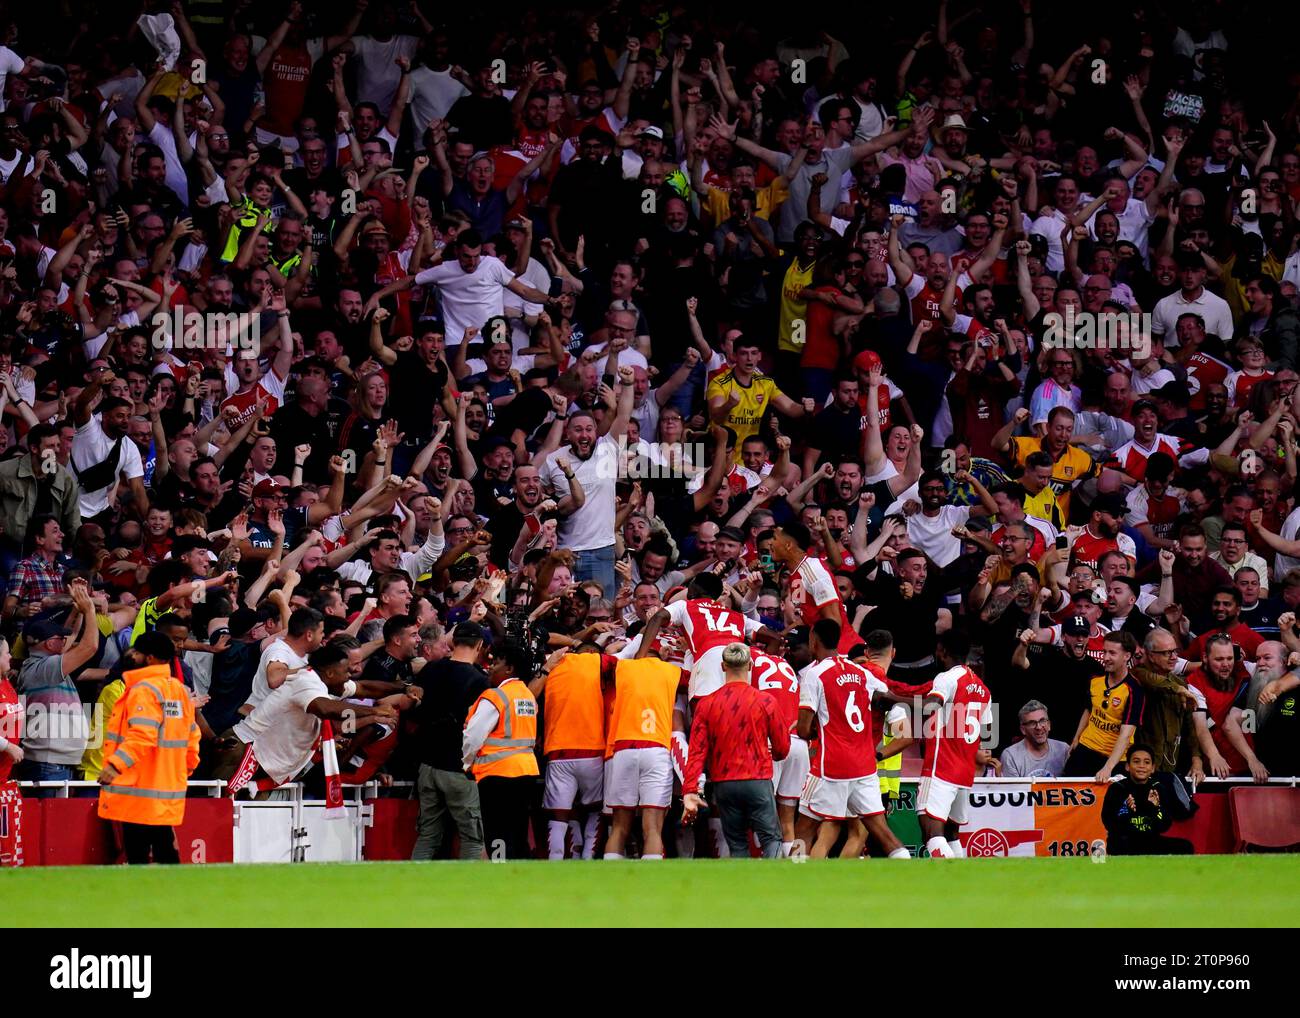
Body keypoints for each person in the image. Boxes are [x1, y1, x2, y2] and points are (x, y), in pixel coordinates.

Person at [794, 619, 911, 859]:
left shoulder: (814, 675)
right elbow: (887, 698)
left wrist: (819, 729)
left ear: (813, 640)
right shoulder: (862, 673)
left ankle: (796, 881)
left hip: (831, 767)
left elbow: (804, 731)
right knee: (880, 831)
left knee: (804, 830)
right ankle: (905, 871)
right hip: (865, 767)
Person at [96, 632, 201, 864]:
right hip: (166, 785)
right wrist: (184, 769)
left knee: (139, 853)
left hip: (139, 786)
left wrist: (116, 765)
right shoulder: (179, 690)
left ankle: (148, 895)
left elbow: (143, 735)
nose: (131, 654)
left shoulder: (143, 690)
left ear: (150, 658)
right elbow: (192, 735)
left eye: (137, 651)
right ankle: (172, 896)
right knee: (165, 845)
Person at [681, 642, 788, 858]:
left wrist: (690, 790)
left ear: (722, 666)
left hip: (725, 783)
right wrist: (772, 754)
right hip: (757, 779)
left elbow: (696, 752)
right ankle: (776, 886)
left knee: (737, 843)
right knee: (771, 839)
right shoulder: (765, 701)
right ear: (750, 666)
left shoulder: (707, 704)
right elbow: (782, 748)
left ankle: (742, 888)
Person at [411, 623, 491, 861]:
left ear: (453, 642)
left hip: (427, 766)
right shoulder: (479, 680)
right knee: (472, 837)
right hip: (458, 768)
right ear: (479, 645)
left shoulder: (431, 669)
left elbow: (415, 704)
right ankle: (469, 890)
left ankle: (412, 885)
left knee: (427, 835)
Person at [462, 639, 541, 860]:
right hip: (526, 772)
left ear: (509, 668)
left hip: (497, 773)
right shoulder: (527, 696)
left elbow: (473, 736)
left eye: (496, 662)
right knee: (517, 829)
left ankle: (499, 871)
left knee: (497, 831)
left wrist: (467, 763)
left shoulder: (496, 696)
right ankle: (519, 874)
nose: (490, 667)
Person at [916, 630, 992, 859]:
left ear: (943, 651)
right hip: (964, 771)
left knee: (931, 832)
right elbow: (986, 730)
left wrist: (891, 698)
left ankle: (951, 883)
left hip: (942, 767)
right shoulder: (983, 689)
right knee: (951, 833)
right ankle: (965, 880)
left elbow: (930, 706)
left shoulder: (946, 678)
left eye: (939, 648)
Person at [1063, 631, 1145, 782]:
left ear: (1126, 656)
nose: (1105, 658)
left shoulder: (1134, 690)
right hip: (1086, 747)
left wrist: (1108, 768)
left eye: (1112, 653)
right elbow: (1089, 710)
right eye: (1104, 652)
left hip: (1113, 758)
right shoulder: (1095, 679)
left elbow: (1126, 735)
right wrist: (1076, 739)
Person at [1100, 743, 1196, 855]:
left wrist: (1155, 809)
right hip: (1125, 841)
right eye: (1136, 761)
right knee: (1119, 844)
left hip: (1150, 841)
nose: (1142, 766)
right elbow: (1109, 823)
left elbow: (1164, 826)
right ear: (1127, 766)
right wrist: (1127, 812)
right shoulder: (1117, 788)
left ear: (1152, 768)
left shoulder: (1159, 788)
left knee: (1185, 847)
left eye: (1147, 762)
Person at [997, 700, 1071, 778]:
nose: (1038, 727)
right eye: (1032, 723)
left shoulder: (1064, 749)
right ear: (1023, 729)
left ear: (1049, 725)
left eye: (1042, 721)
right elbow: (1013, 790)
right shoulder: (1011, 756)